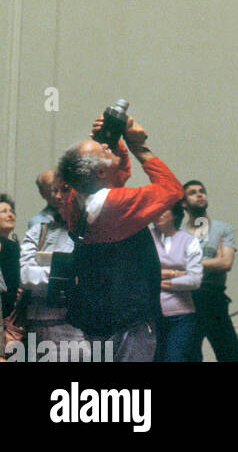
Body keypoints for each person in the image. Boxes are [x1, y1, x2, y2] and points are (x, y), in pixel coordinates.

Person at [57, 114, 183, 362]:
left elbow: (116, 174)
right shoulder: (115, 204)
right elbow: (171, 189)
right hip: (130, 318)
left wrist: (111, 138)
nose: (106, 147)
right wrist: (139, 146)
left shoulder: (75, 198)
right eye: (102, 149)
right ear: (100, 171)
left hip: (97, 315)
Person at [19, 171, 87, 355]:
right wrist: (64, 274)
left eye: (64, 190)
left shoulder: (93, 234)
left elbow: (91, 278)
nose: (57, 196)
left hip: (75, 331)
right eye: (55, 191)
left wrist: (42, 271)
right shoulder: (39, 231)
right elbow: (24, 276)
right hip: (36, 329)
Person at [181, 180, 238, 362]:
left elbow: (226, 263)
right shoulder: (179, 234)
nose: (199, 194)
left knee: (231, 356)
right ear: (184, 203)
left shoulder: (223, 229)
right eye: (193, 192)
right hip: (188, 300)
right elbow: (176, 268)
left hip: (214, 299)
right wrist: (212, 261)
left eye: (202, 191)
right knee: (190, 356)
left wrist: (192, 263)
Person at [151, 201, 203, 362]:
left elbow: (194, 280)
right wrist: (175, 273)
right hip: (151, 314)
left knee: (175, 358)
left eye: (163, 211)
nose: (158, 215)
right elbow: (138, 274)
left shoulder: (189, 241)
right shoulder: (146, 239)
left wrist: (158, 281)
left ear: (174, 214)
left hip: (181, 314)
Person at [0, 193, 19, 326]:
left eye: (12, 211)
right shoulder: (11, 247)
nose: (10, 215)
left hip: (10, 315)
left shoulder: (13, 246)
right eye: (4, 211)